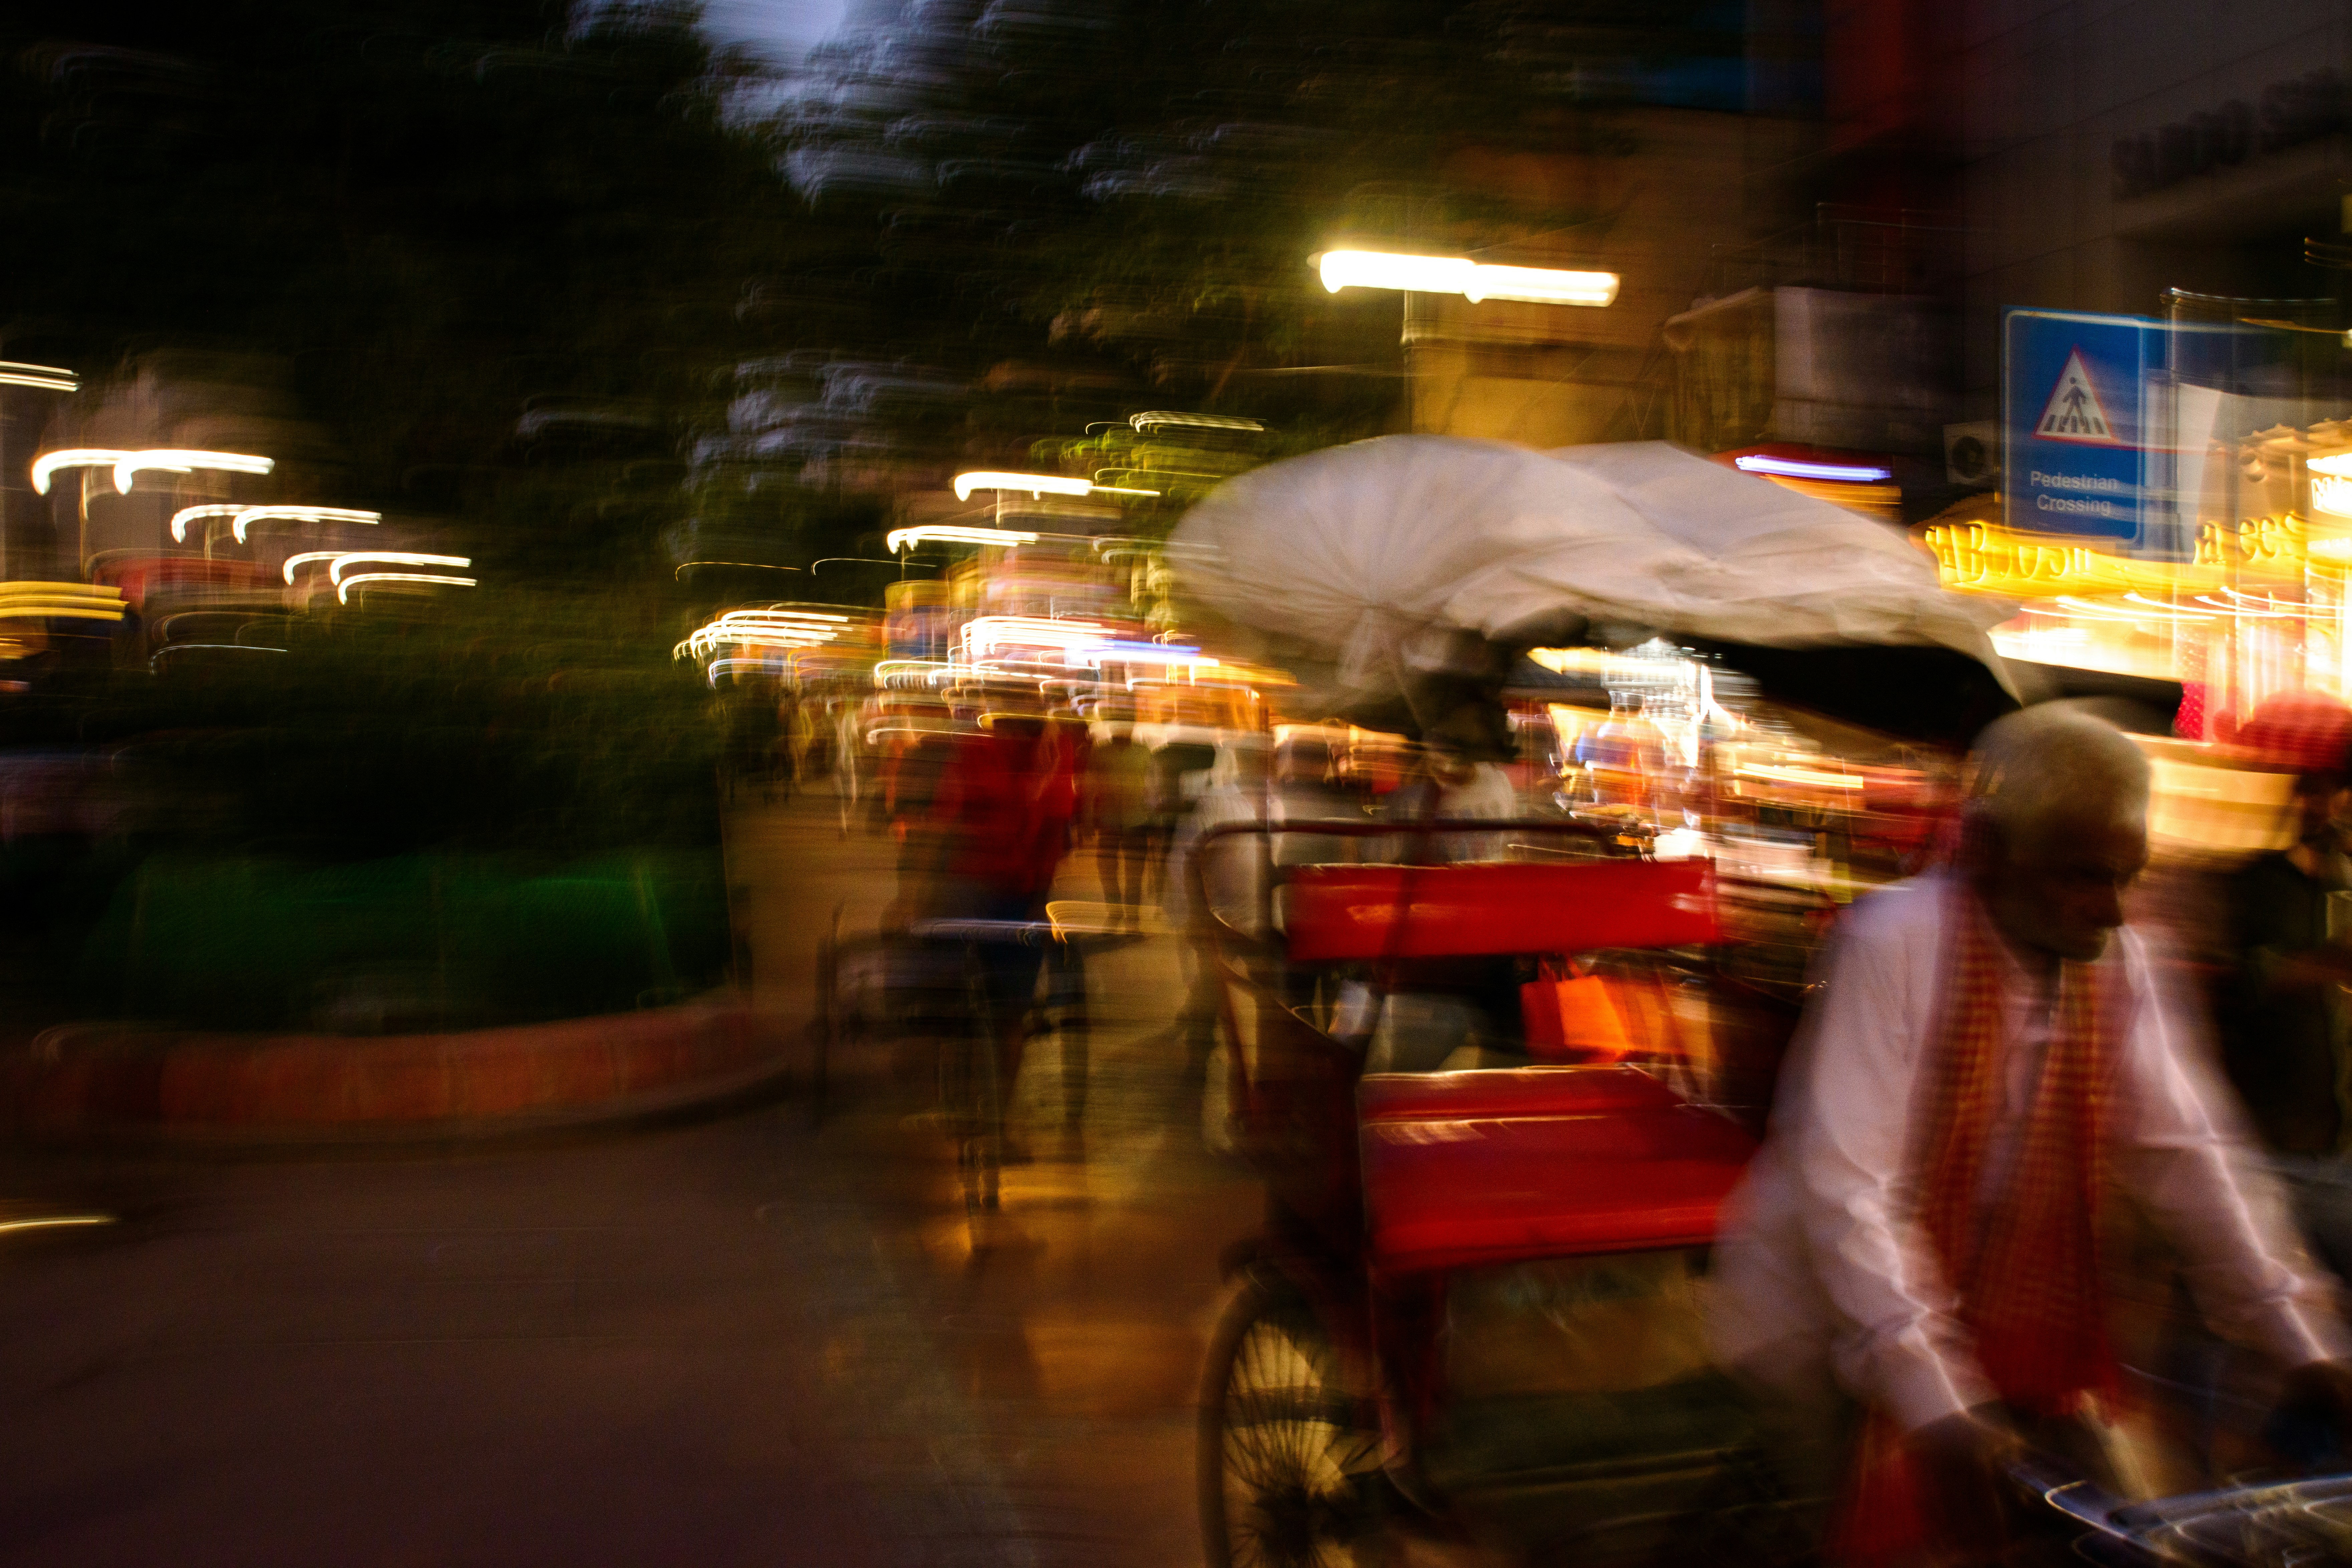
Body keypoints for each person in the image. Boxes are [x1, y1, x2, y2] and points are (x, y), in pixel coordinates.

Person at [1708, 704, 2352, 1563]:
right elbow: (1851, 1192)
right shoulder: (1894, 940)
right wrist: (1937, 1406)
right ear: (1985, 850)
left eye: (2127, 877)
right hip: (1832, 1333)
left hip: (2014, 1348)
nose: (2113, 910)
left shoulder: (2121, 962)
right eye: (2082, 877)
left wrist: (2303, 1341)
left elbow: (2193, 1161)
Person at [2219, 693, 2352, 1157]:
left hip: (2336, 1138)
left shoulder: (2341, 879)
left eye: (2336, 789)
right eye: (2313, 788)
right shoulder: (2256, 880)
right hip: (2276, 1137)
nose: (2328, 805)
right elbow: (2246, 973)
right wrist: (2329, 964)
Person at [1085, 722, 1155, 932]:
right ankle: (1117, 914)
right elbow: (1090, 786)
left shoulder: (1143, 752)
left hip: (1136, 820)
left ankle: (1132, 919)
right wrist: (1088, 818)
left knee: (1134, 874)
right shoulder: (1102, 752)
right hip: (1112, 820)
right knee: (1108, 871)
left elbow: (1153, 787)